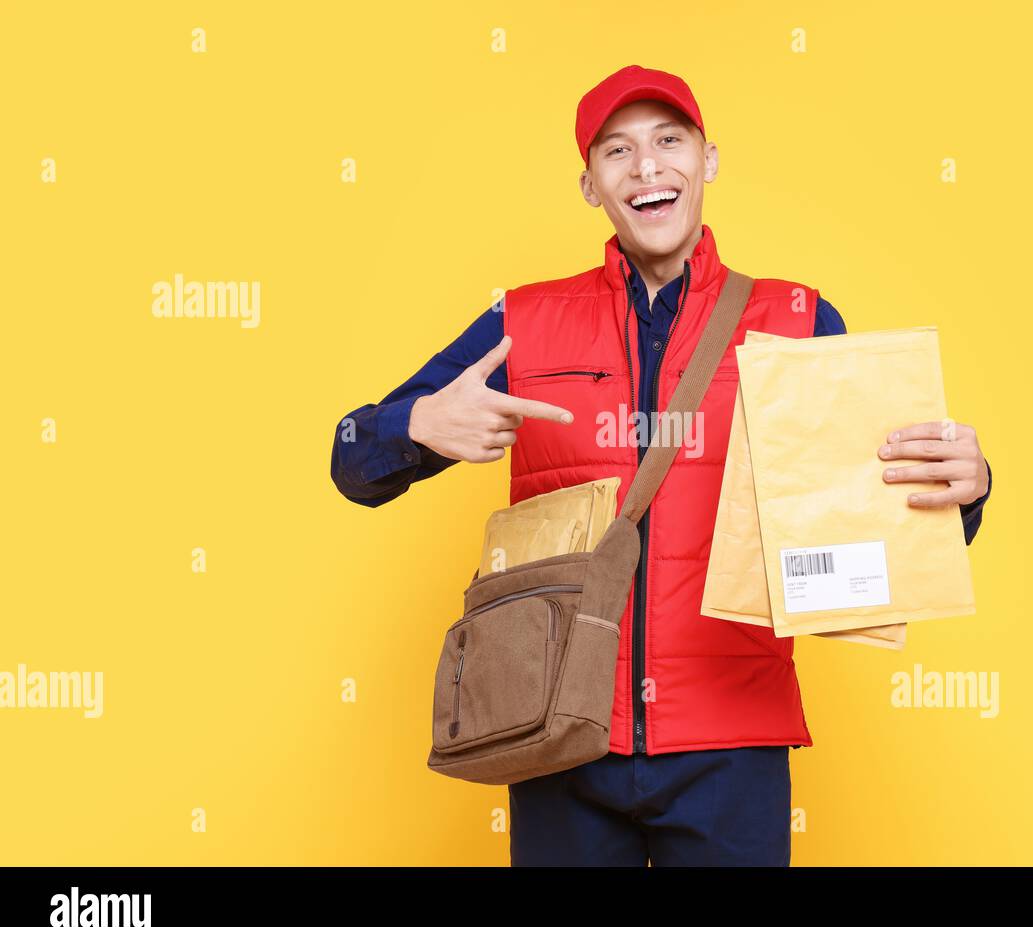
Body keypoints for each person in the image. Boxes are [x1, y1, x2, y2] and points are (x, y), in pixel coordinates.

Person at [331, 65, 993, 866]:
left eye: (668, 142)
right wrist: (415, 422)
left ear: (708, 160)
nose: (647, 168)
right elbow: (353, 466)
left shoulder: (794, 319)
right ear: (590, 185)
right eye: (618, 151)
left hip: (732, 746)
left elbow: (868, 507)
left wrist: (966, 490)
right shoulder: (524, 322)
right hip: (559, 730)